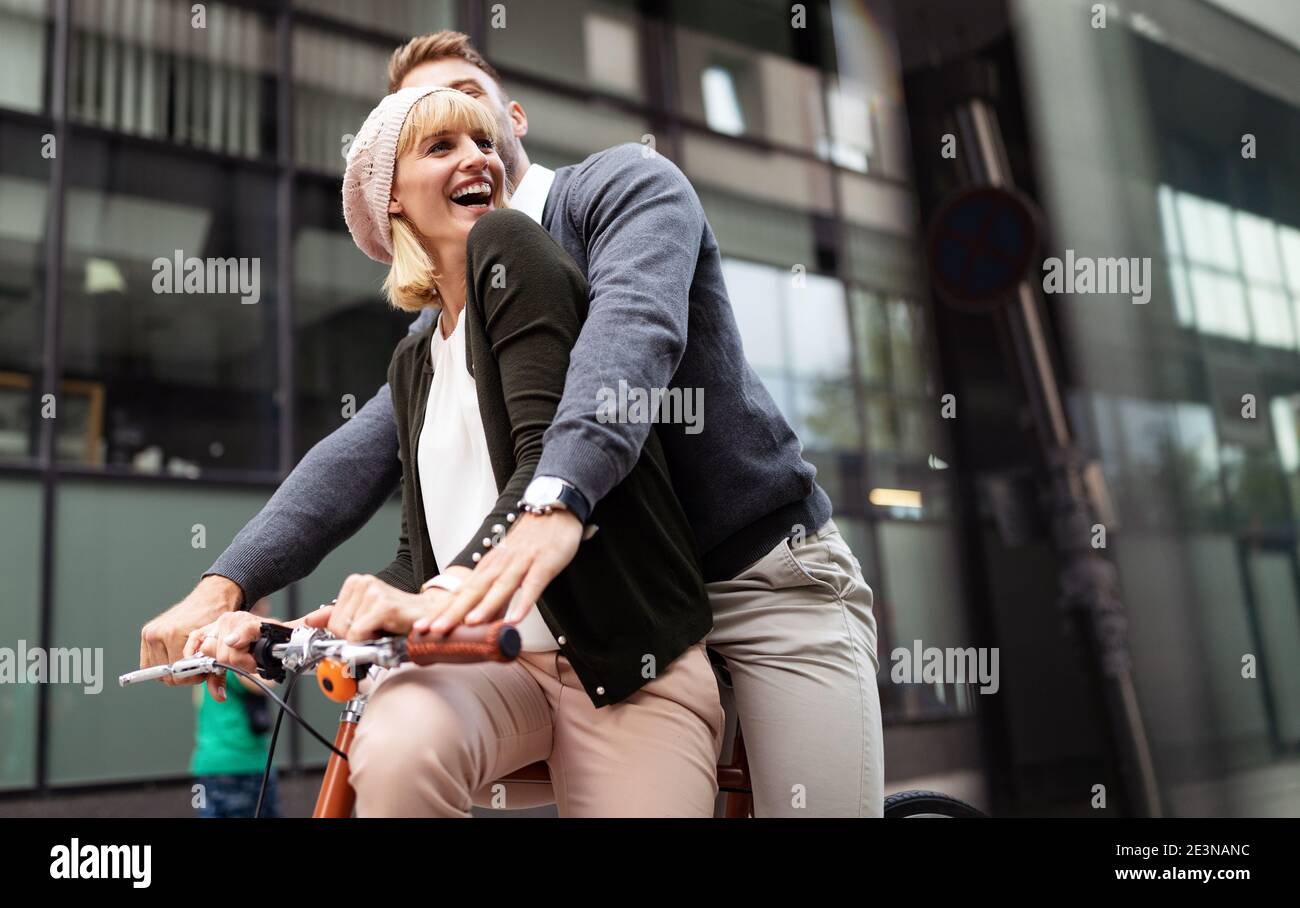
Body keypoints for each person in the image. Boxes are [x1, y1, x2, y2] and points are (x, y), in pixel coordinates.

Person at [142, 30, 883, 818]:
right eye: (423, 119)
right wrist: (228, 585)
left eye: (468, 100)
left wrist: (557, 498)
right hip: (590, 603)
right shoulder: (432, 337)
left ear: (513, 116)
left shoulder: (622, 186)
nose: (459, 128)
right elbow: (357, 462)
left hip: (763, 575)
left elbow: (631, 335)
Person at [186, 86, 723, 817]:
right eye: (443, 147)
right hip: (493, 669)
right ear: (392, 202)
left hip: (628, 669)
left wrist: (429, 600)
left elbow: (543, 466)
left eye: (482, 143)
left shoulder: (516, 250)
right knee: (397, 738)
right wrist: (291, 629)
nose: (480, 158)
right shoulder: (413, 365)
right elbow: (420, 560)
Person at [190, 599, 279, 818]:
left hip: (208, 764)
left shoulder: (207, 653)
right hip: (242, 765)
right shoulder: (235, 655)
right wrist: (268, 636)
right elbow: (267, 683)